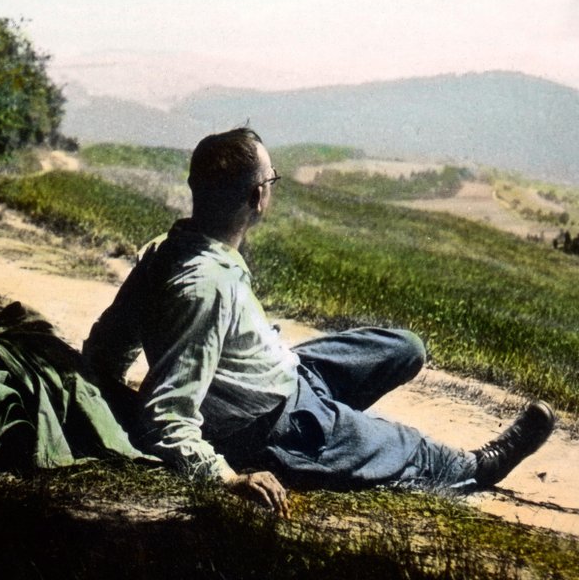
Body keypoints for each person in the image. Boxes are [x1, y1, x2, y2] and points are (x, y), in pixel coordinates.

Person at [82, 127, 555, 513]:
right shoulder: (206, 286)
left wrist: (115, 395)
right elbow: (168, 414)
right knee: (413, 449)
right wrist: (224, 476)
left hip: (285, 374)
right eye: (271, 181)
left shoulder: (165, 253)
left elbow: (106, 350)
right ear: (258, 197)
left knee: (404, 348)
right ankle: (477, 466)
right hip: (278, 426)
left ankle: (349, 435)